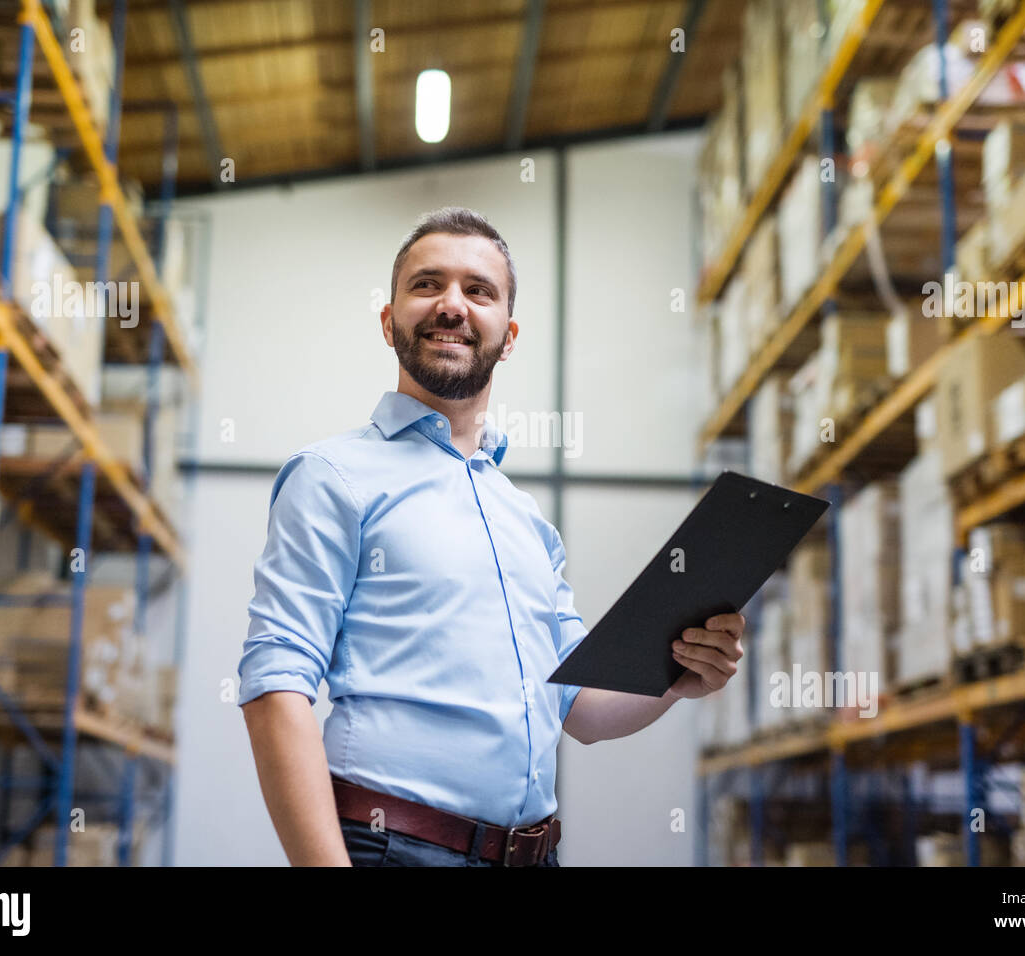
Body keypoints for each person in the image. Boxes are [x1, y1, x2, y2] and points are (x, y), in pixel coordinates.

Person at [238, 206, 744, 866]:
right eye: (427, 285)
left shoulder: (526, 522)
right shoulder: (333, 476)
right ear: (389, 321)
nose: (452, 304)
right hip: (395, 848)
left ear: (508, 336)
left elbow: (580, 708)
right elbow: (275, 684)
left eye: (478, 290)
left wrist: (677, 678)